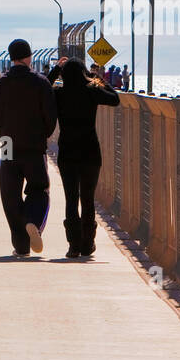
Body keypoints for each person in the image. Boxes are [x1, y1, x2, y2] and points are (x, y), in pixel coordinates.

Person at [0, 39, 57, 255]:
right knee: (39, 188)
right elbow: (50, 116)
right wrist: (41, 135)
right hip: (33, 144)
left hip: (7, 143)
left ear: (10, 58)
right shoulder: (41, 83)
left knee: (10, 194)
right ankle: (33, 222)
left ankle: (20, 245)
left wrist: (3, 136)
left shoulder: (1, 84)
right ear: (28, 57)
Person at [46, 57, 119, 257]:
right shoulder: (91, 90)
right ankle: (88, 243)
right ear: (83, 73)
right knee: (87, 199)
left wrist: (55, 70)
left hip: (67, 151)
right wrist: (98, 77)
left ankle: (73, 245)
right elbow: (115, 99)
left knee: (71, 199)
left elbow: (43, 87)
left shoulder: (58, 93)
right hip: (90, 151)